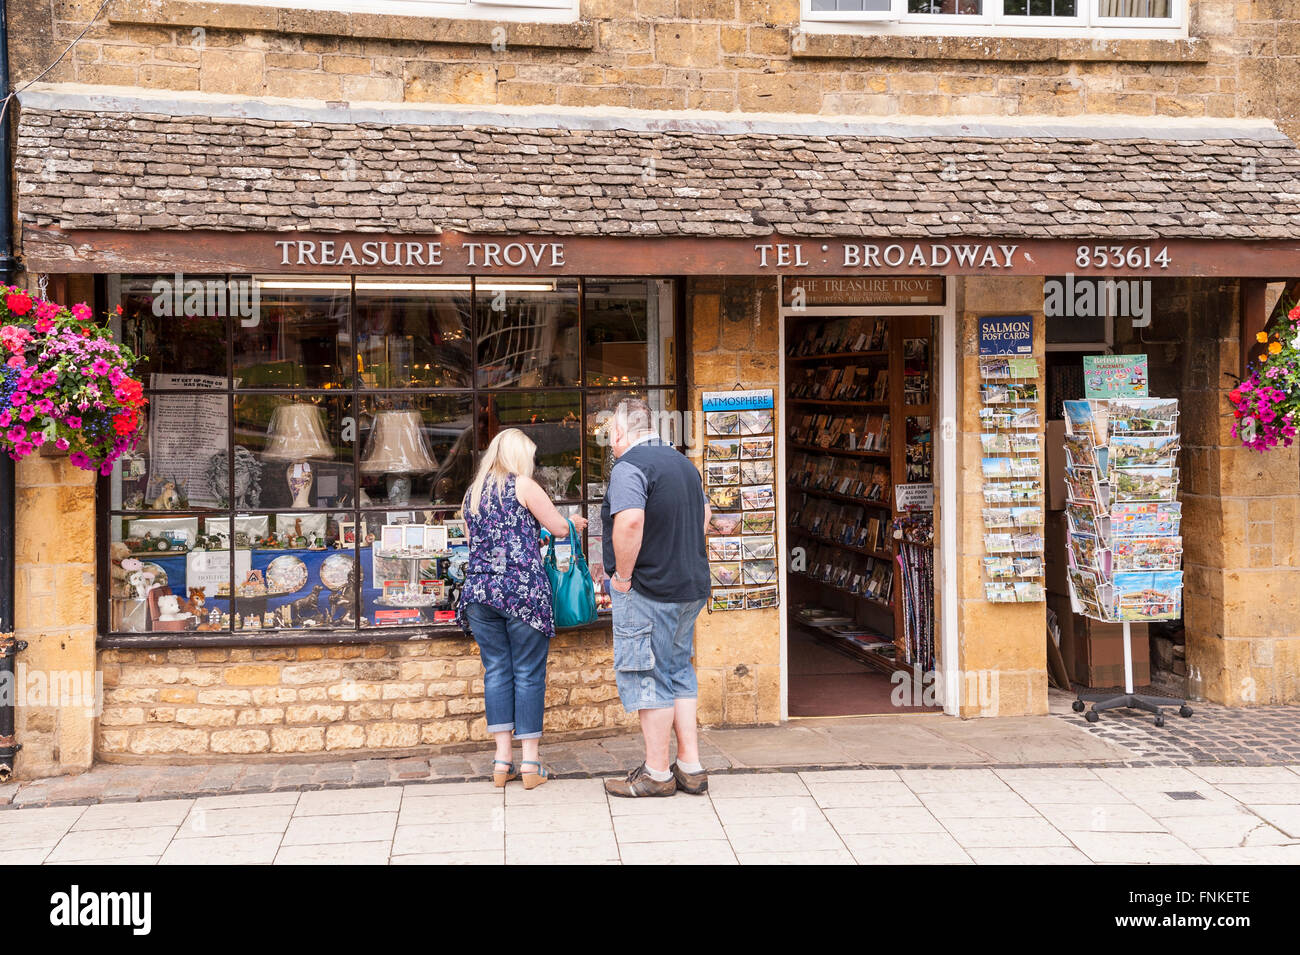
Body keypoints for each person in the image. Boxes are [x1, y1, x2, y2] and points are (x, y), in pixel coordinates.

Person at [456, 428, 587, 790]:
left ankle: (502, 762)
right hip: (522, 592)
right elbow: (558, 528)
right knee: (528, 672)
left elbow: (479, 541)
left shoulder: (474, 493)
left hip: (481, 592)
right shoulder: (524, 486)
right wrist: (572, 524)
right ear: (519, 457)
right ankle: (530, 763)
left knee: (496, 670)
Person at [602, 398, 711, 798]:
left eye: (608, 433)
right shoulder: (684, 464)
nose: (608, 441)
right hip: (689, 586)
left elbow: (630, 520)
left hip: (649, 588)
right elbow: (704, 518)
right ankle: (691, 767)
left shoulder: (630, 466)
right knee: (679, 669)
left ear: (619, 432)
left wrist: (624, 579)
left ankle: (657, 772)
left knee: (648, 674)